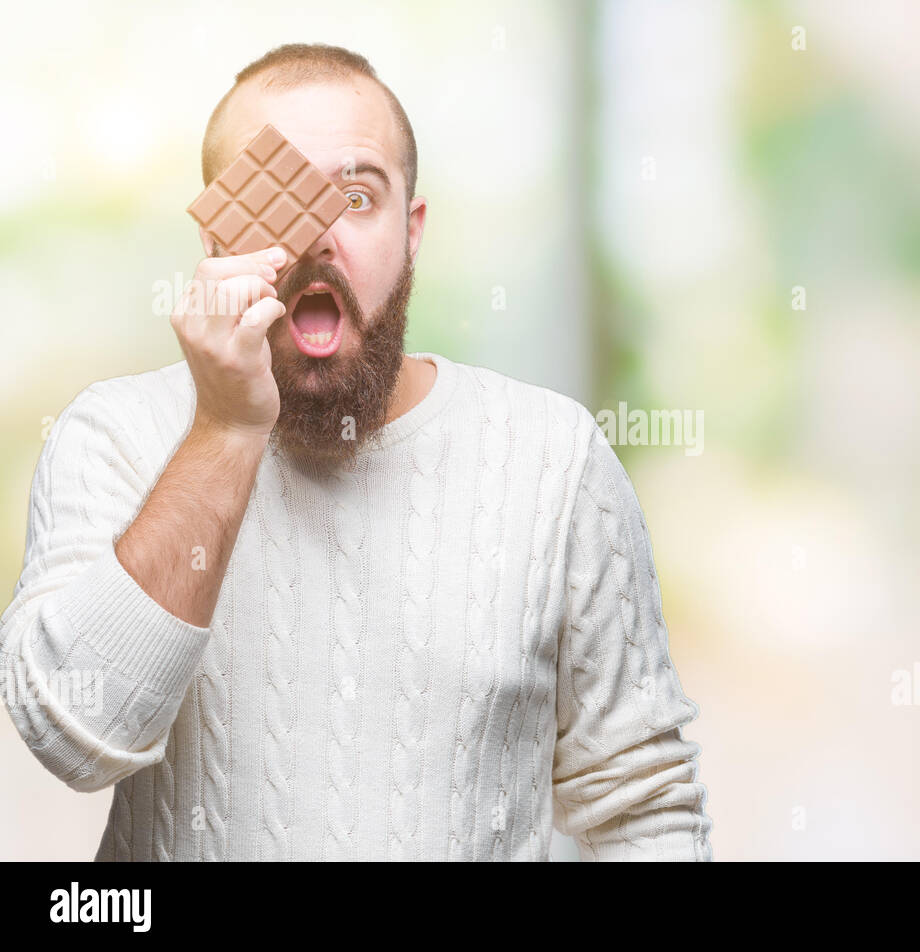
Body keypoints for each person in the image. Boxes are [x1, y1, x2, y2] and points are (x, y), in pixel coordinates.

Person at [0, 43, 713, 862]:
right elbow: (74, 740)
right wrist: (224, 430)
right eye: (277, 200)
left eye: (356, 196)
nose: (316, 238)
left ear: (412, 233)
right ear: (216, 235)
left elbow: (643, 807)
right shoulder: (113, 435)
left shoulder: (553, 459)